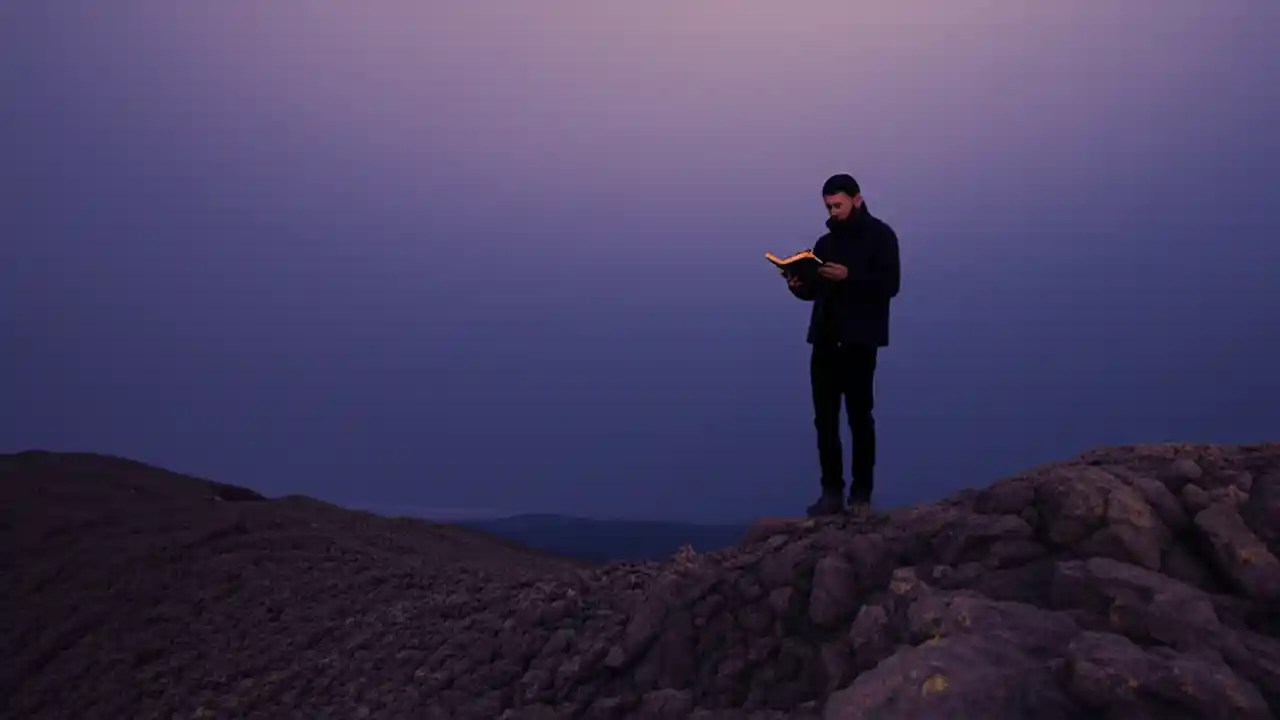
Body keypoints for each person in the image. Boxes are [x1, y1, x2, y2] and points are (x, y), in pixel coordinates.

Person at [782, 173, 900, 518]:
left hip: (861, 340)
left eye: (839, 205)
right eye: (829, 206)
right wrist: (798, 286)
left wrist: (851, 276)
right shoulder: (825, 243)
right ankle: (831, 493)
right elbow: (816, 291)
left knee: (860, 417)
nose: (834, 211)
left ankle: (861, 496)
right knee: (825, 420)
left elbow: (890, 284)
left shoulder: (881, 236)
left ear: (856, 199)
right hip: (824, 339)